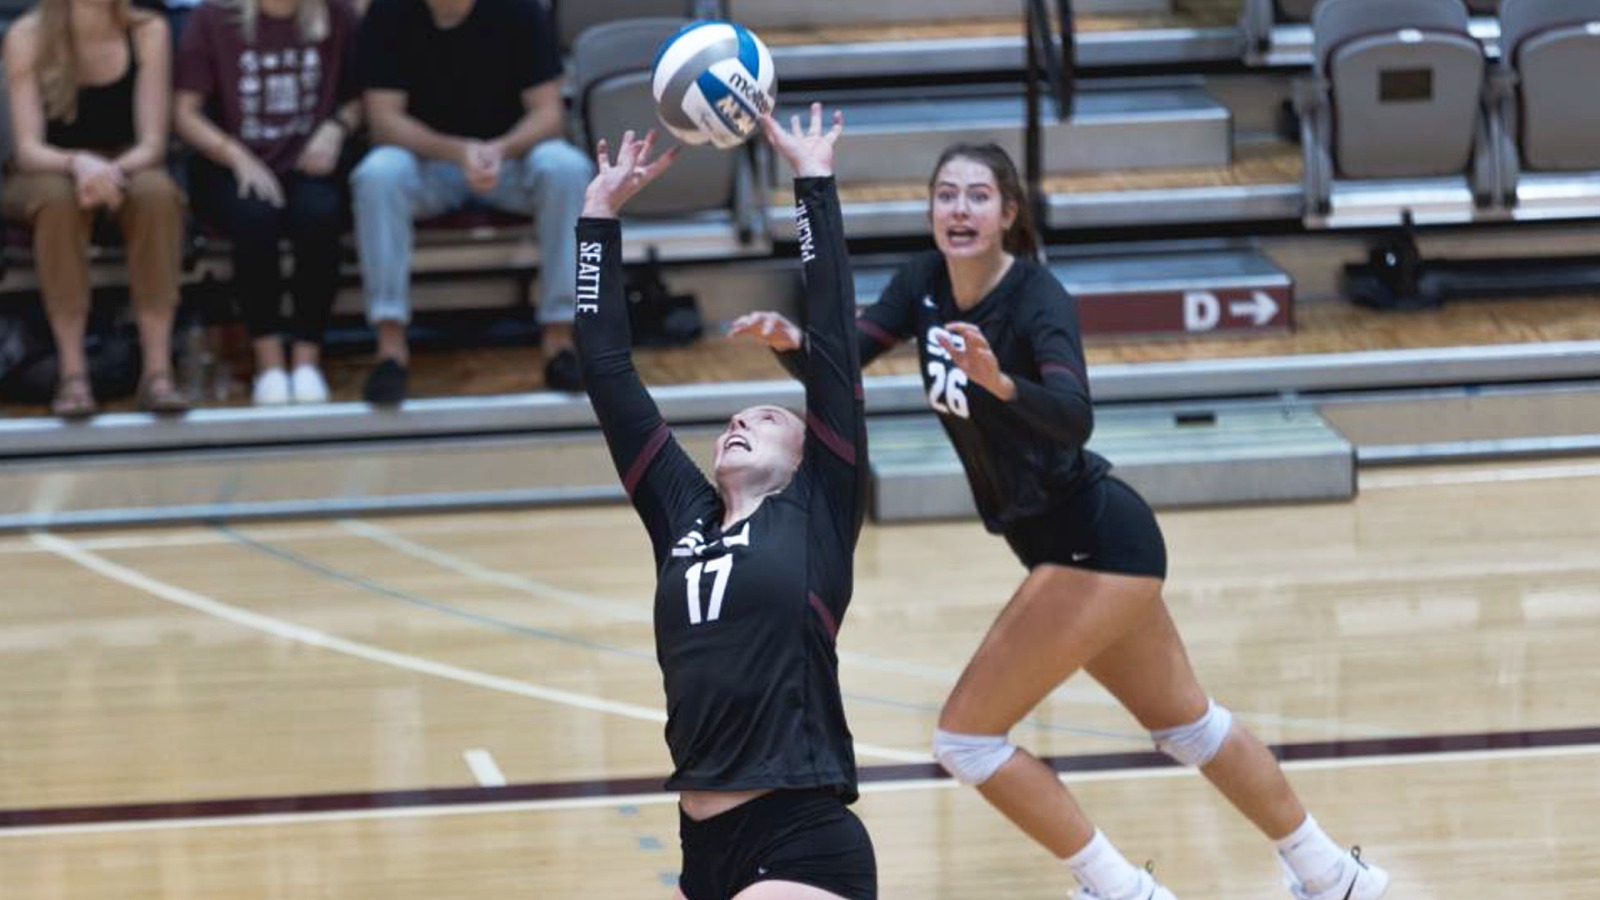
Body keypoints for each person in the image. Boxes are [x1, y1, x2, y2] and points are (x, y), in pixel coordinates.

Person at [732, 143, 1390, 900]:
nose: (959, 210)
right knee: (1188, 728)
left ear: (1009, 213)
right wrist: (795, 347)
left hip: (1095, 541)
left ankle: (1120, 889)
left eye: (978, 196)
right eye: (946, 195)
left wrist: (1000, 382)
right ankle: (1332, 874)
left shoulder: (1038, 298)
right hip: (1074, 547)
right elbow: (843, 363)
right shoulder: (922, 283)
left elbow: (1075, 418)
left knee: (965, 739)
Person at [576, 110, 875, 900]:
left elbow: (839, 357)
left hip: (802, 838)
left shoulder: (817, 513)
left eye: (770, 418)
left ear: (809, 455)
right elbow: (608, 372)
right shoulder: (683, 516)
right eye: (736, 418)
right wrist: (597, 220)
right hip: (703, 848)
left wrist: (812, 185)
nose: (741, 420)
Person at [351, 0, 590, 405]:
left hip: (508, 161)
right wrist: (458, 152)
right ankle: (390, 347)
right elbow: (384, 121)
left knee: (567, 168)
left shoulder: (520, 10)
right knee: (377, 174)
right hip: (428, 165)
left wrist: (498, 149)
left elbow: (549, 115)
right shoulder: (388, 11)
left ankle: (559, 340)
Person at [1, 0, 188, 417]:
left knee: (157, 194)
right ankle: (73, 373)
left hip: (125, 163)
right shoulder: (26, 36)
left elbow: (153, 144)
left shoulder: (149, 31)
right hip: (46, 169)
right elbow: (29, 149)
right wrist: (78, 165)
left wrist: (110, 173)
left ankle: (157, 372)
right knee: (57, 200)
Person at [173, 0, 362, 405]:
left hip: (309, 160)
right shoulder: (212, 17)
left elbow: (362, 93)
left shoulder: (338, 14)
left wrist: (337, 127)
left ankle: (307, 360)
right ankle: (270, 362)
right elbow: (184, 113)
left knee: (319, 213)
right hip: (229, 161)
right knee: (254, 217)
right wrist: (237, 156)